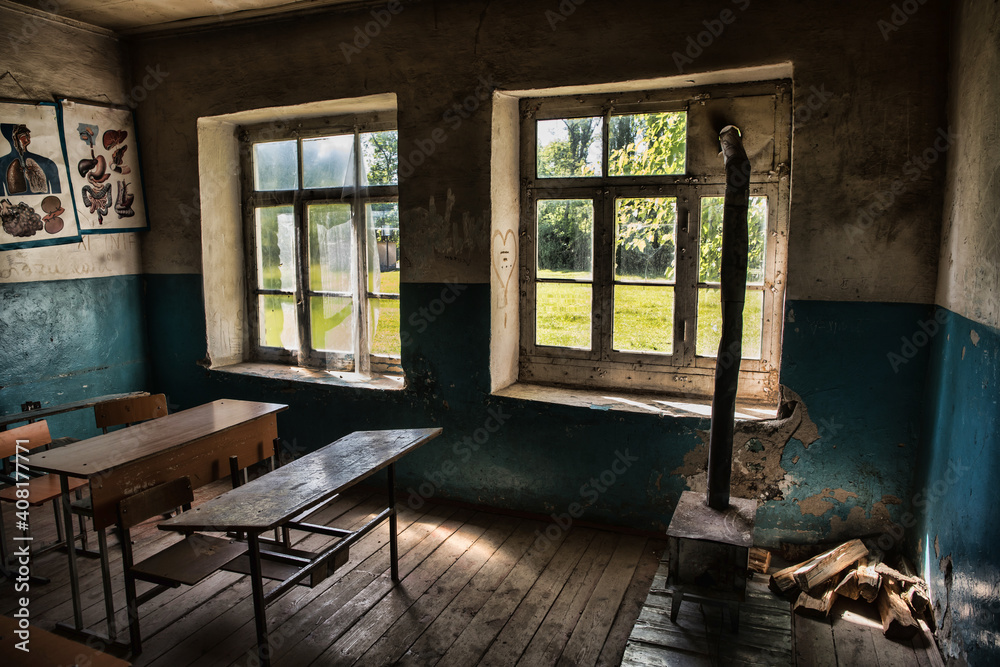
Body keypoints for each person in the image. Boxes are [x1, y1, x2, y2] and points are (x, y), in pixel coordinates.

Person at [0, 123, 63, 196]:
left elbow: (58, 195)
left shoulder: (47, 163)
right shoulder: (2, 164)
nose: (27, 138)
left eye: (27, 135)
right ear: (14, 138)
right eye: (23, 135)